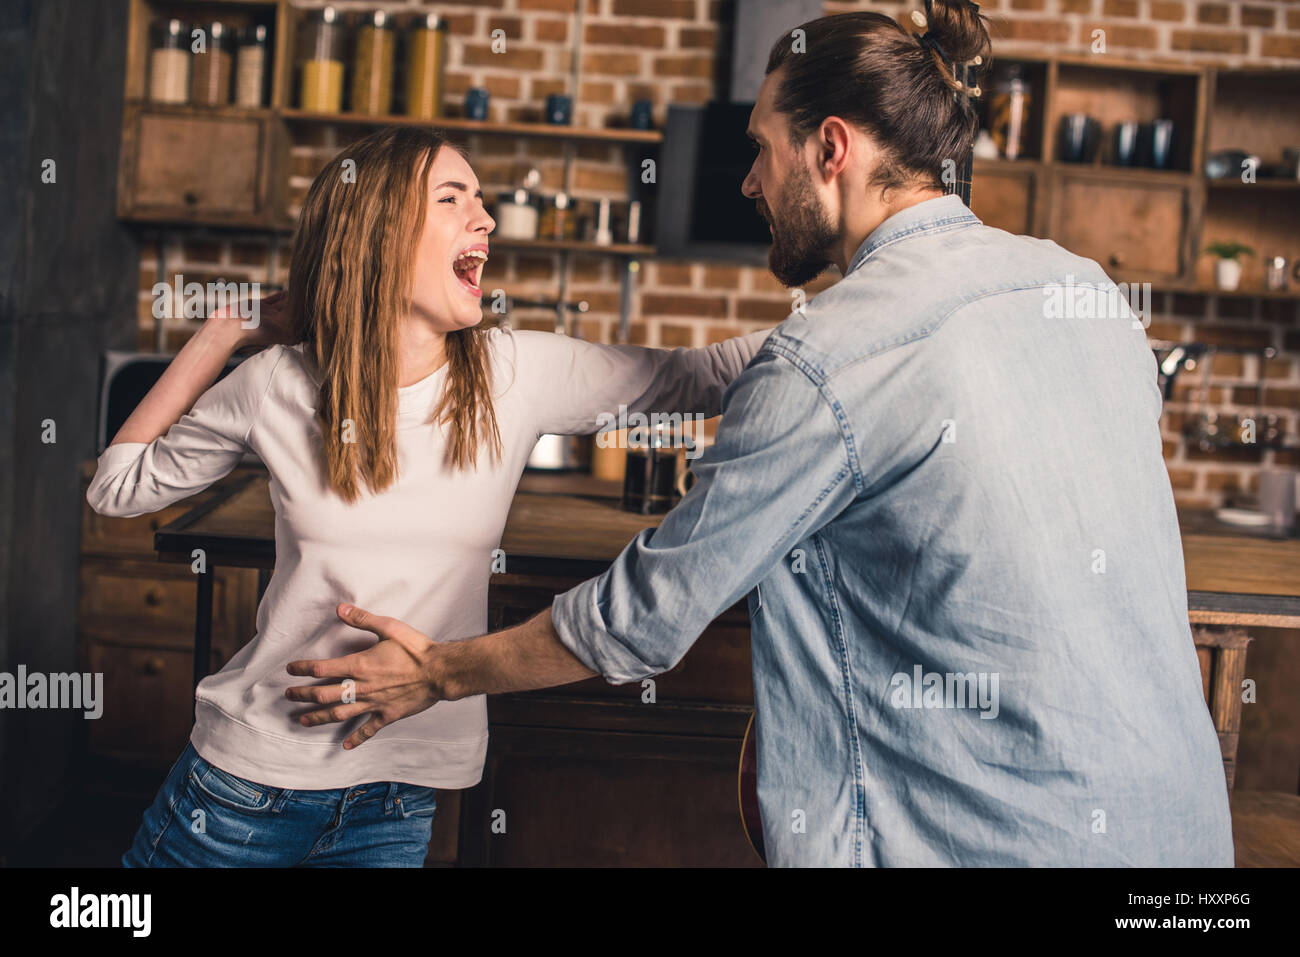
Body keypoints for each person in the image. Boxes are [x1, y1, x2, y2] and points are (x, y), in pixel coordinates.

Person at [286, 3, 1235, 867]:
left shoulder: (828, 357)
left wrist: (442, 670)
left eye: (760, 149)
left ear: (830, 148)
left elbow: (642, 620)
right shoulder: (1088, 293)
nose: (747, 180)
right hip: (1186, 844)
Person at [88, 125, 767, 867]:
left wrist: (862, 307)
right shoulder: (276, 383)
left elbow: (699, 377)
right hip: (247, 787)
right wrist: (227, 327)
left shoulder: (512, 373)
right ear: (376, 231)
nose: (487, 219)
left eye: (482, 200)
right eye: (453, 198)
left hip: (395, 798)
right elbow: (116, 487)